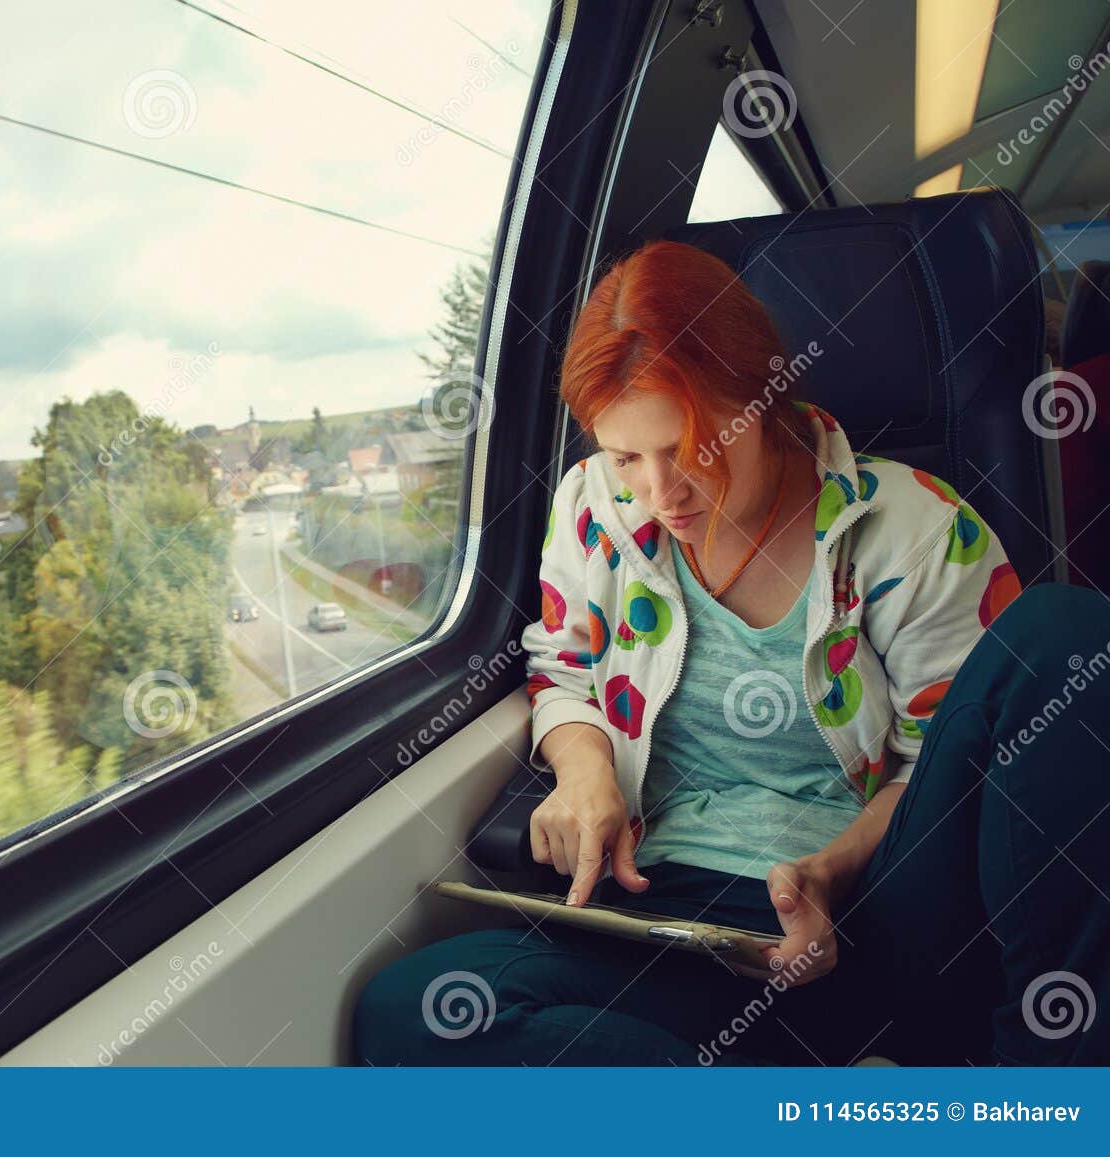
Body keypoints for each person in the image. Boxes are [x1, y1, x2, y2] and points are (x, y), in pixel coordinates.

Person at [352, 241, 1110, 1066]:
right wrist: (586, 775)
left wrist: (829, 868)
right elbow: (561, 668)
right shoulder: (593, 507)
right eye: (625, 455)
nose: (660, 492)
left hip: (883, 902)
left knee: (1064, 637)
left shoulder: (914, 527)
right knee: (413, 1010)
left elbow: (944, 768)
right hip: (683, 918)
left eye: (692, 448)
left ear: (762, 397)